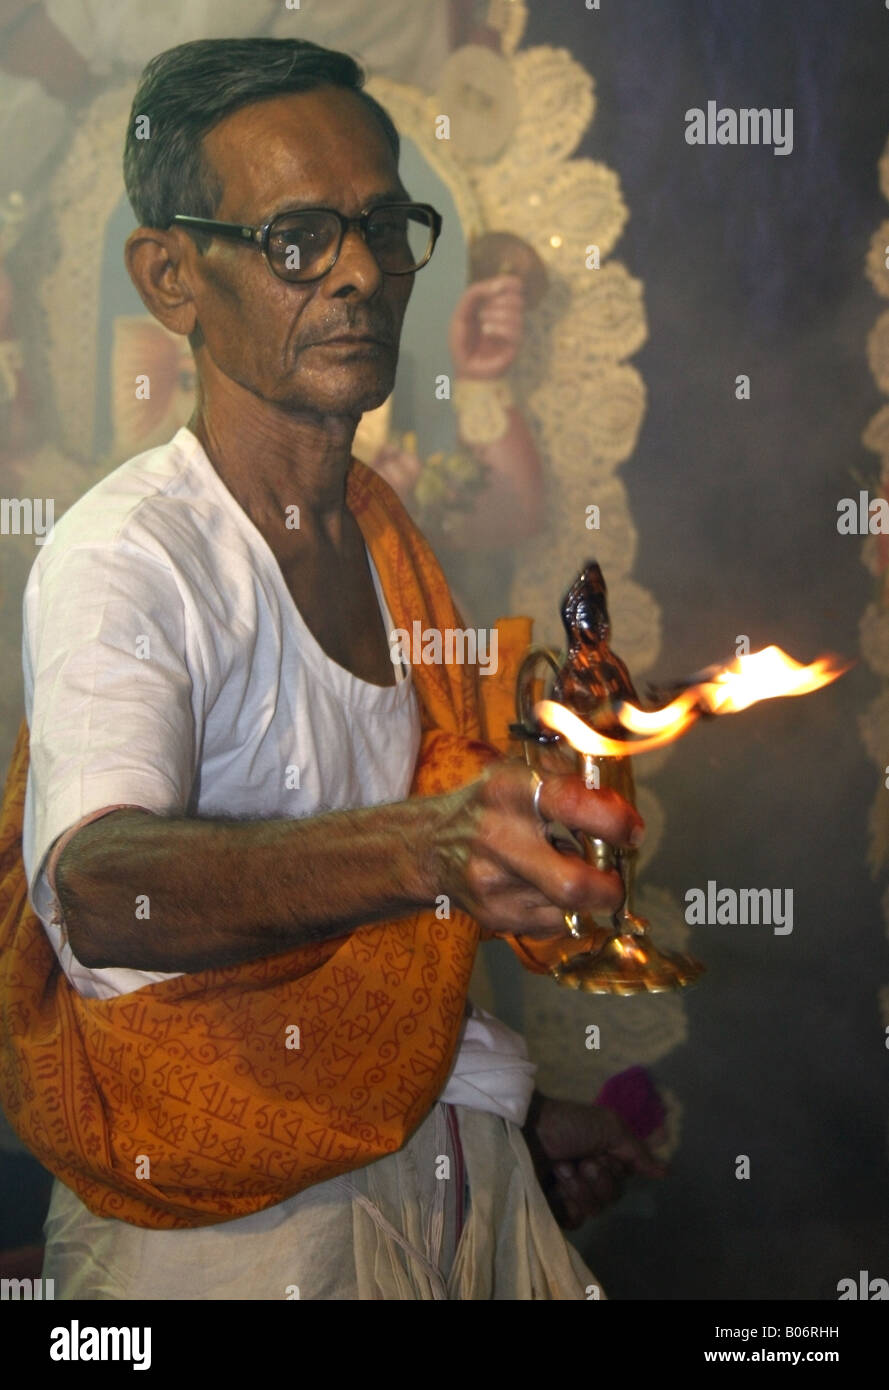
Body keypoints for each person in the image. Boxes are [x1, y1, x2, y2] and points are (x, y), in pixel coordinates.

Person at [15, 36, 663, 1300]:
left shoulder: (380, 534)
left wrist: (503, 1124)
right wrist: (429, 845)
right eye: (298, 238)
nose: (362, 271)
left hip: (440, 1183)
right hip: (228, 1247)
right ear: (170, 276)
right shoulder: (125, 553)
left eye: (382, 225)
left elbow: (385, 974)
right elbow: (95, 890)